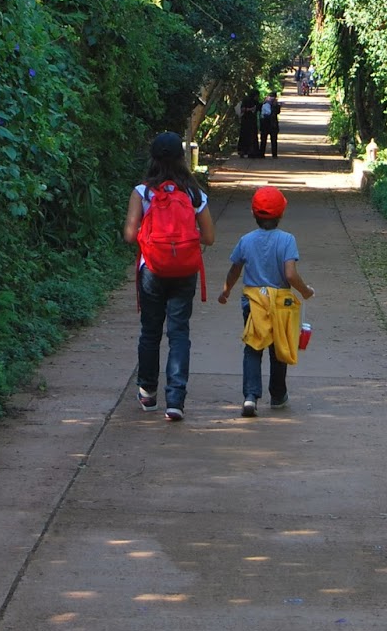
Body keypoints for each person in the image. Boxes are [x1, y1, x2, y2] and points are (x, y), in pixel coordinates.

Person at [124, 132, 215, 422]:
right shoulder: (194, 194)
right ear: (181, 158)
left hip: (152, 269)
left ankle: (148, 392)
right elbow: (209, 237)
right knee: (179, 333)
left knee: (150, 331)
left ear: (152, 158)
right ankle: (175, 400)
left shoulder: (142, 192)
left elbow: (129, 235)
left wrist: (151, 237)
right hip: (185, 271)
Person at [218, 185, 314, 417]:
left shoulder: (246, 240)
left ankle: (250, 397)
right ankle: (278, 395)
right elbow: (290, 274)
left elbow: (234, 270)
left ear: (253, 213)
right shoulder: (287, 240)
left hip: (253, 302)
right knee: (279, 346)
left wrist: (226, 291)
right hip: (280, 304)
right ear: (282, 213)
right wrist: (305, 291)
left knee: (253, 345)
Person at [236, 89, 260, 157]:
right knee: (244, 136)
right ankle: (243, 151)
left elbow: (258, 107)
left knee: (253, 137)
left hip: (252, 121)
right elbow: (242, 109)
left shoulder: (256, 101)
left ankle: (252, 151)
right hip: (246, 121)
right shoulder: (246, 100)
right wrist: (249, 109)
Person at [259, 88, 281, 158]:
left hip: (264, 123)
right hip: (273, 123)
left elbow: (260, 111)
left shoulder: (265, 102)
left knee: (263, 139)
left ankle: (262, 153)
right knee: (274, 140)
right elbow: (278, 112)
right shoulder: (275, 103)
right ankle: (274, 154)